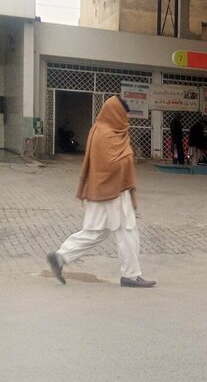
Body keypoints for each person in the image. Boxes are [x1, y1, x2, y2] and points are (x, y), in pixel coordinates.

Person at [45, 96, 156, 288]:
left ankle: (60, 257)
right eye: (123, 114)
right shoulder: (106, 133)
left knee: (95, 232)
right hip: (113, 190)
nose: (125, 119)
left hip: (99, 190)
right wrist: (128, 156)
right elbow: (111, 163)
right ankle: (130, 275)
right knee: (127, 230)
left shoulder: (100, 129)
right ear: (115, 113)